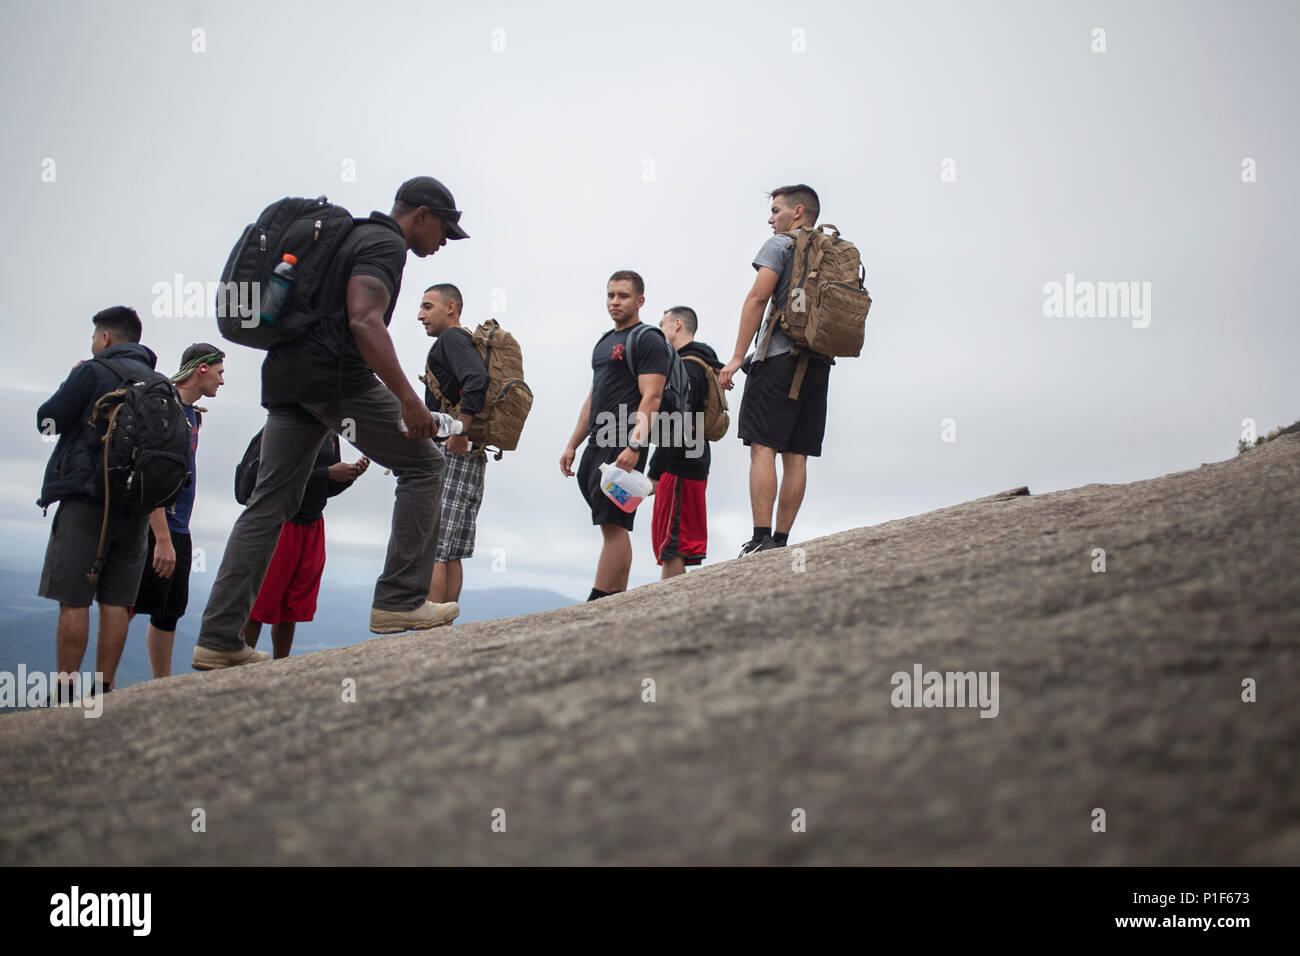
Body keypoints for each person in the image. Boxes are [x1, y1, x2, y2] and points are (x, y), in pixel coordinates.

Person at [192, 175, 469, 671]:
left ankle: (218, 638)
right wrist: (408, 400)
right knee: (424, 467)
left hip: (289, 377)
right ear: (421, 214)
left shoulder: (351, 236)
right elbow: (364, 320)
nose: (443, 241)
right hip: (335, 379)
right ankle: (400, 600)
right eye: (444, 229)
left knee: (269, 501)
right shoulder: (386, 244)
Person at [36, 306, 159, 697]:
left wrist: (71, 381)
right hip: (136, 506)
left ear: (105, 338)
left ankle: (66, 692)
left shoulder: (92, 371)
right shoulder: (159, 384)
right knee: (116, 601)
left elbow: (48, 421)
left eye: (95, 337)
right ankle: (104, 688)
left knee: (74, 599)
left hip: (88, 501)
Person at [718, 184, 833, 556]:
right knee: (796, 452)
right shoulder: (831, 251)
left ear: (797, 212)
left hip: (778, 358)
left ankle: (760, 537)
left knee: (763, 446)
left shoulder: (781, 245)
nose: (771, 219)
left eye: (776, 210)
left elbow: (758, 297)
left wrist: (738, 356)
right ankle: (781, 540)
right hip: (817, 361)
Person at [560, 271, 668, 600]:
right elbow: (593, 397)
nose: (615, 301)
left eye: (623, 295)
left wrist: (635, 446)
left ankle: (600, 598)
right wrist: (572, 444)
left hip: (623, 440)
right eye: (610, 295)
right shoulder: (604, 342)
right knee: (611, 524)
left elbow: (652, 397)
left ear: (640, 301)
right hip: (597, 442)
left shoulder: (647, 339)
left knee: (614, 524)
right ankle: (615, 598)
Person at [127, 344, 225, 678]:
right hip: (158, 526)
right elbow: (151, 475)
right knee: (129, 602)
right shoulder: (167, 409)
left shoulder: (190, 414)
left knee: (169, 609)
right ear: (202, 370)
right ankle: (106, 679)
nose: (221, 381)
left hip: (179, 526)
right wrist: (162, 538)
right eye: (219, 372)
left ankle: (162, 684)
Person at [242, 431, 367, 658]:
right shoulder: (287, 425)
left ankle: (282, 665)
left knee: (291, 606)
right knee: (260, 603)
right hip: (283, 523)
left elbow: (324, 488)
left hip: (312, 526)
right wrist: (327, 473)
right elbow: (277, 477)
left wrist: (348, 477)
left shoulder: (328, 433)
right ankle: (239, 663)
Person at [418, 284, 490, 611]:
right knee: (452, 548)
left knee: (433, 543)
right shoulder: (463, 341)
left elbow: (476, 378)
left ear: (450, 308)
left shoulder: (451, 339)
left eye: (427, 306)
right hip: (469, 451)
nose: (420, 315)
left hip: (451, 449)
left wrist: (460, 428)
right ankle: (445, 624)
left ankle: (432, 625)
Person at [648, 307, 723, 578]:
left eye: (662, 323)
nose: (658, 330)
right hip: (692, 458)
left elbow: (676, 420)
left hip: (679, 463)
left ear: (677, 325)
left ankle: (669, 611)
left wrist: (655, 472)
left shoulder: (686, 367)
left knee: (672, 545)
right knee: (677, 542)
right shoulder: (703, 363)